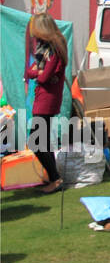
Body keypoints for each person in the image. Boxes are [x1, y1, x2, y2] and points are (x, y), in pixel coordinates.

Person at [24, 13, 68, 194]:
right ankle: (53, 177)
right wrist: (36, 71)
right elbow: (36, 71)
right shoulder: (48, 49)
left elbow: (43, 76)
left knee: (36, 141)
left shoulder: (54, 50)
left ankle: (56, 179)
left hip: (47, 100)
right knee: (40, 141)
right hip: (44, 98)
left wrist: (34, 72)